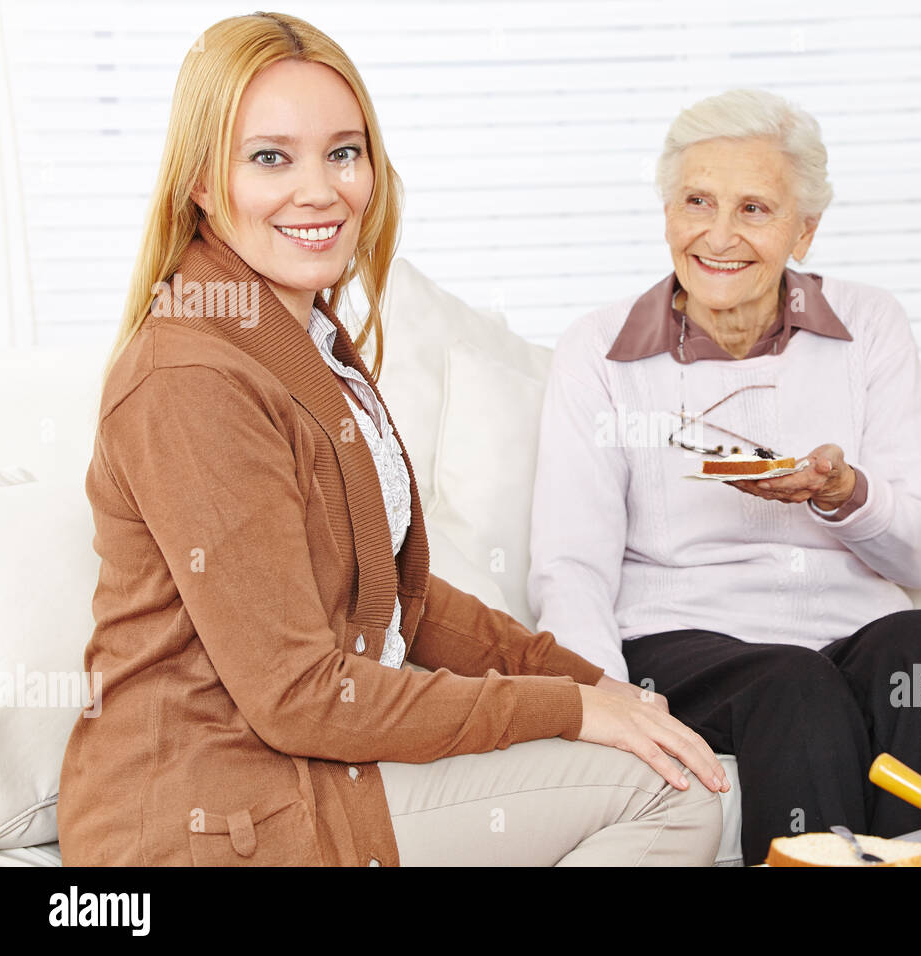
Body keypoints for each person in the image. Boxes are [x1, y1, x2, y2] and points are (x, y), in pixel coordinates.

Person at [59, 11, 725, 867]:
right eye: (271, 157)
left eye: (343, 152)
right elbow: (298, 694)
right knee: (668, 797)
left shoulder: (305, 342)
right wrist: (570, 712)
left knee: (667, 758)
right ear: (197, 180)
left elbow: (407, 601)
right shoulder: (194, 379)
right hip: (217, 815)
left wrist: (600, 689)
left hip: (305, 769)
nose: (320, 189)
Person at [528, 88, 921, 866]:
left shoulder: (870, 325)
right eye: (696, 202)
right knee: (796, 685)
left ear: (804, 229)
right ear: (667, 212)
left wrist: (847, 497)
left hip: (847, 631)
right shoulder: (599, 351)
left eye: (754, 209)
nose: (718, 235)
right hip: (683, 644)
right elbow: (571, 565)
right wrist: (605, 704)